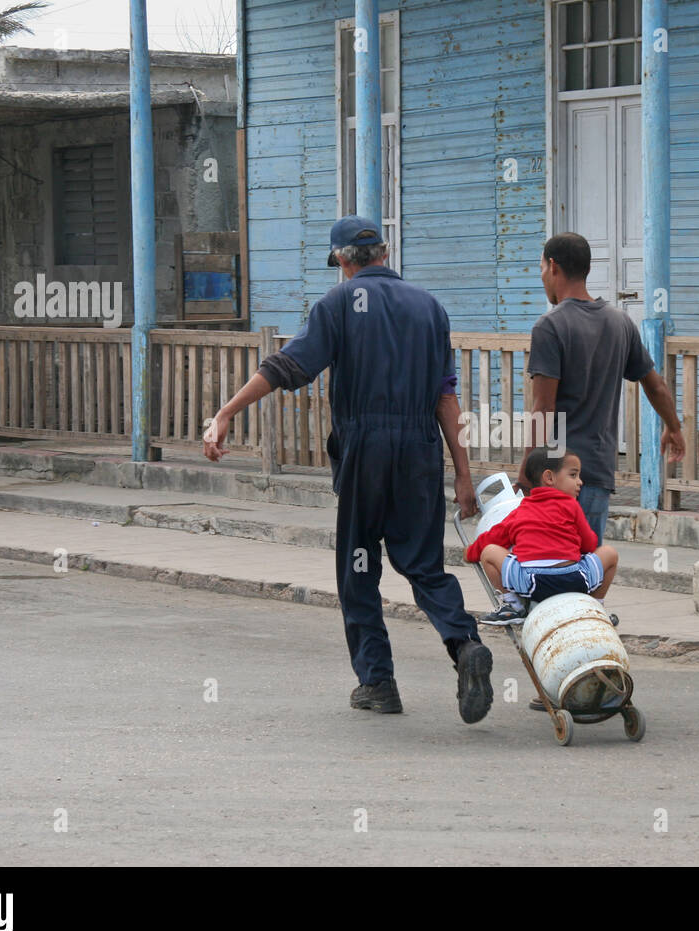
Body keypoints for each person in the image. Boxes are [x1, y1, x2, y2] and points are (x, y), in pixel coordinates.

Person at [201, 215, 493, 724]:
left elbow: (284, 368)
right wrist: (463, 474)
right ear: (383, 253)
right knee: (424, 565)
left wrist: (226, 412)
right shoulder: (430, 308)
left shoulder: (338, 304)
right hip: (420, 450)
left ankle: (378, 682)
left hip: (366, 450)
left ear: (342, 260)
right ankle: (465, 644)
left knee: (359, 566)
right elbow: (447, 398)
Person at [518, 232, 686, 544]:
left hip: (555, 475)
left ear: (553, 266)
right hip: (596, 473)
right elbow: (655, 385)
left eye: (541, 268)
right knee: (583, 572)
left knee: (547, 572)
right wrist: (673, 427)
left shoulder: (550, 326)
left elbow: (543, 409)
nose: (542, 276)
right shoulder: (620, 322)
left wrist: (528, 471)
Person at [464, 446, 619, 627]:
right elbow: (590, 545)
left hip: (532, 583)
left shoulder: (521, 510)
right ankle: (594, 609)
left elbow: (492, 538)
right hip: (574, 579)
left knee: (489, 552)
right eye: (573, 475)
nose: (580, 482)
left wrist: (470, 553)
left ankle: (512, 606)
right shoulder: (571, 506)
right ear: (549, 478)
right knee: (609, 553)